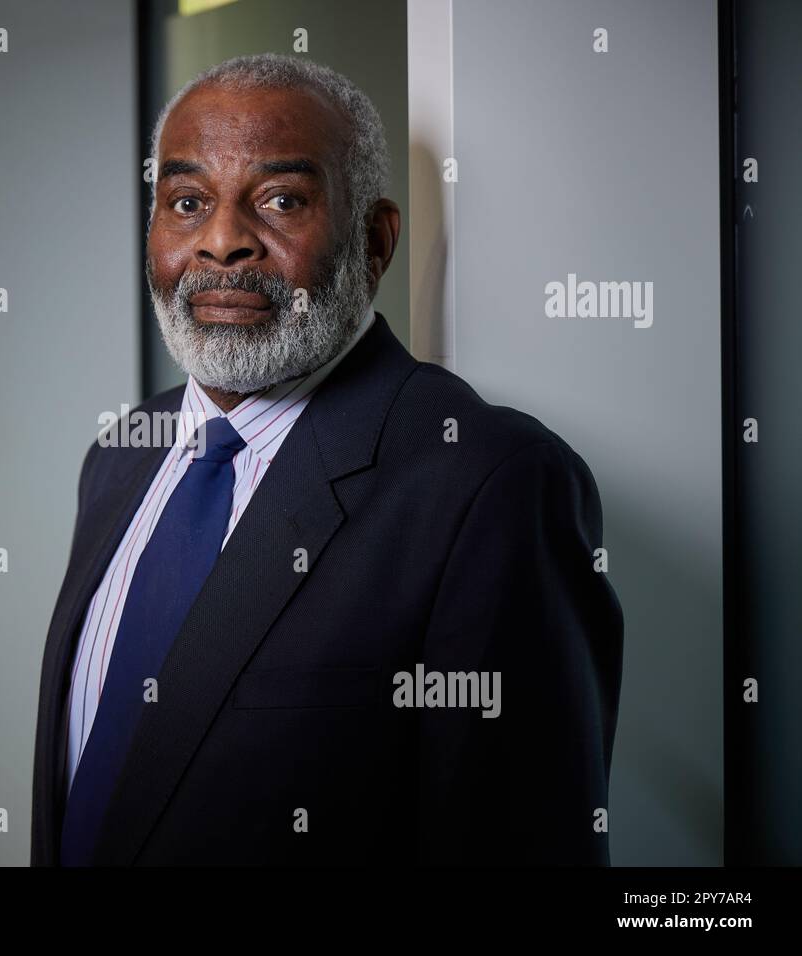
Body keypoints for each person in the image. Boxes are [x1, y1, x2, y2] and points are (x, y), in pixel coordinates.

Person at [31, 53, 623, 866]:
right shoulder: (119, 458)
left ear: (375, 241)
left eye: (280, 200)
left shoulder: (489, 484)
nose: (223, 243)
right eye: (187, 201)